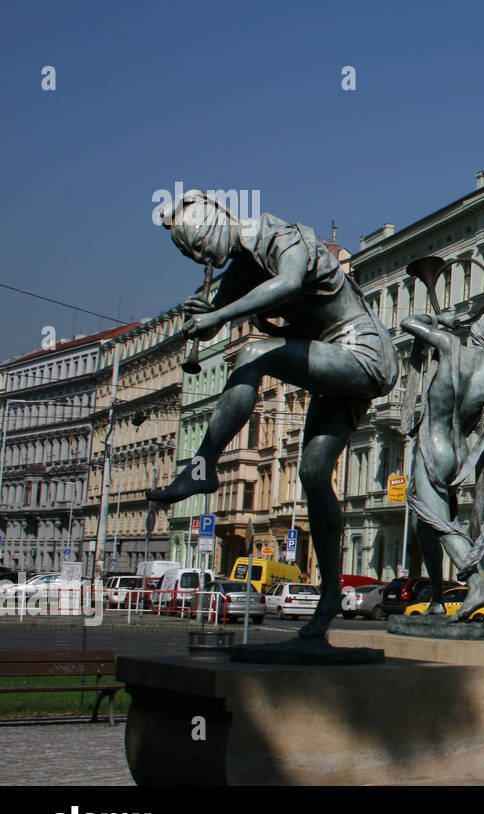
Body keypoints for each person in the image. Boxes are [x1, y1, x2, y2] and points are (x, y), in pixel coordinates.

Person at [146, 191, 397, 639]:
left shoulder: (280, 235)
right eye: (196, 255)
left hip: (362, 352)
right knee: (313, 475)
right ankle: (327, 602)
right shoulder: (241, 268)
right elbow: (218, 317)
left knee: (255, 353)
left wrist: (221, 313)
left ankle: (202, 465)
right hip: (329, 366)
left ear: (218, 221)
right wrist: (205, 317)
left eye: (202, 245)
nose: (205, 257)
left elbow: (285, 284)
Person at [401, 306, 484, 622]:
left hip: (433, 448)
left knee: (440, 525)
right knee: (423, 525)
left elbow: (408, 322)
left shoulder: (451, 345)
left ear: (479, 331)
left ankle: (476, 585)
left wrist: (443, 321)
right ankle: (437, 599)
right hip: (458, 453)